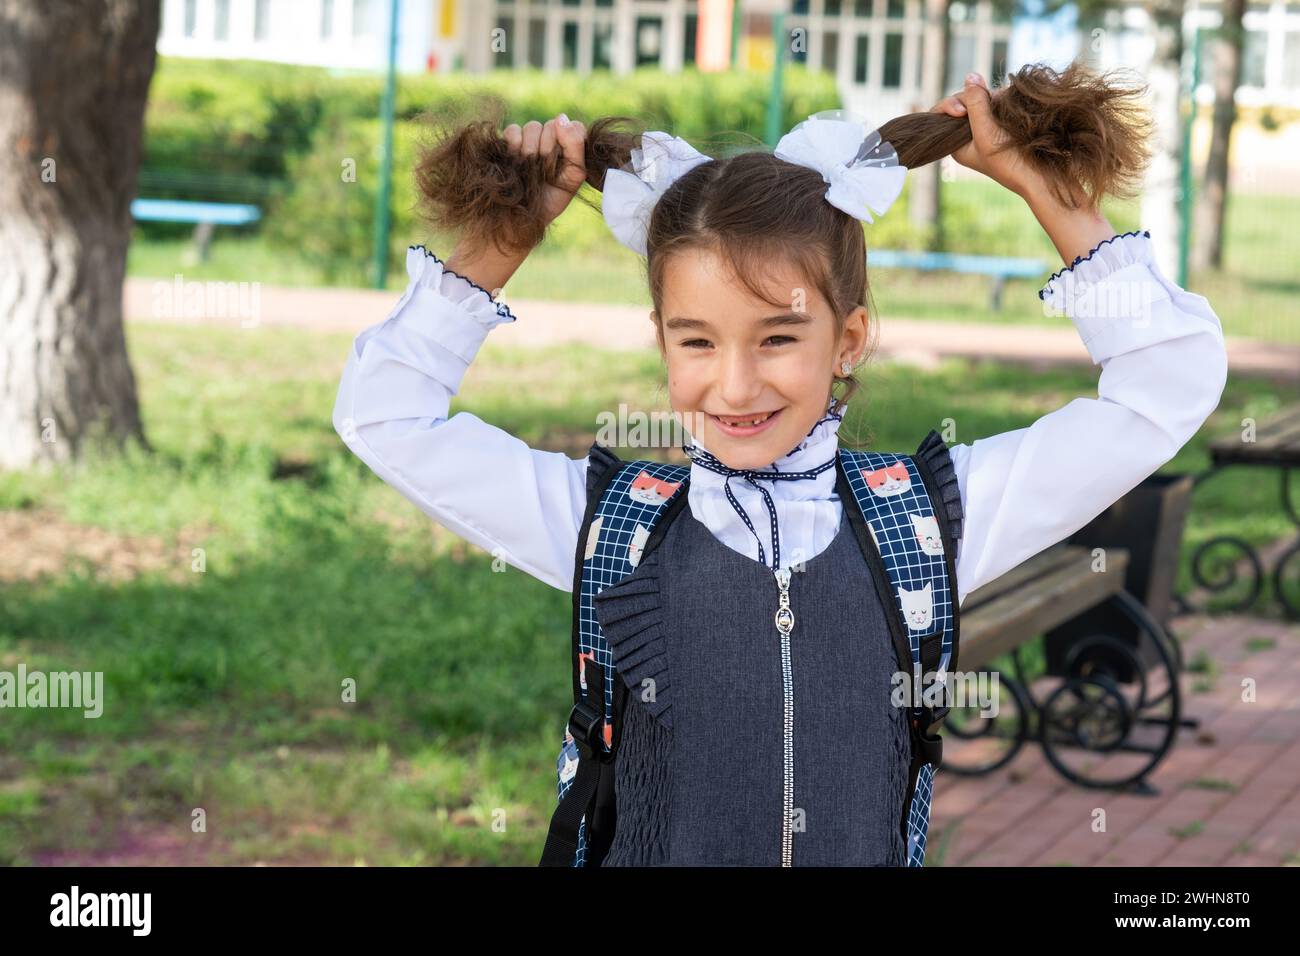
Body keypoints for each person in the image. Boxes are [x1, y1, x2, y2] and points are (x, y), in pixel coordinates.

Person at [331, 63, 1228, 865]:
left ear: (849, 338)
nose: (734, 383)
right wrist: (496, 247)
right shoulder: (611, 525)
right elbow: (385, 414)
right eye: (697, 339)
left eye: (778, 337)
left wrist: (1056, 201)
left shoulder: (930, 524)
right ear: (660, 341)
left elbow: (1164, 386)